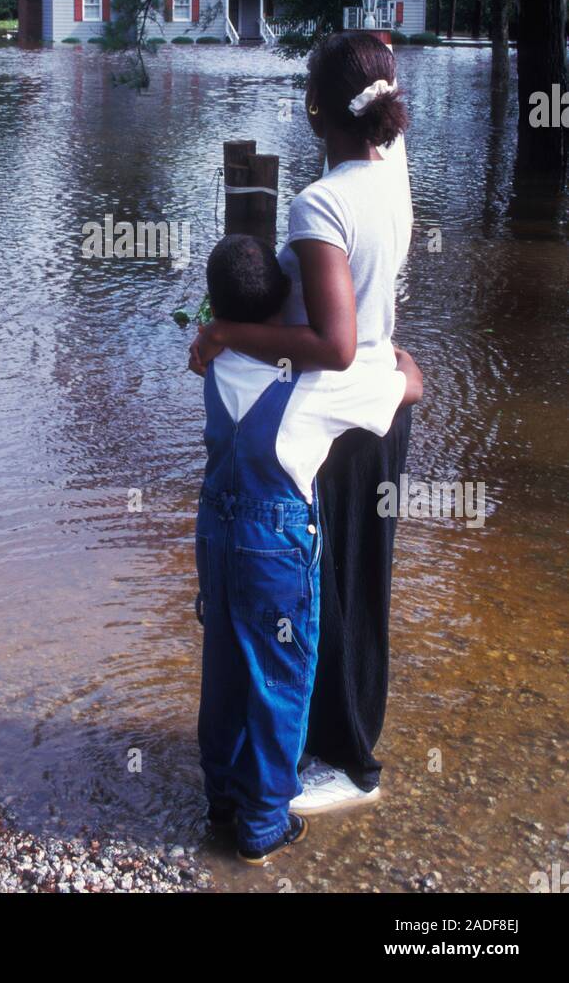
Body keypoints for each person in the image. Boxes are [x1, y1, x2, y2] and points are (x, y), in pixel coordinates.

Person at [191, 32, 414, 812]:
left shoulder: (320, 203)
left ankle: (344, 763)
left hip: (340, 420)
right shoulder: (390, 179)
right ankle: (340, 747)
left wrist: (224, 333)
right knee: (361, 586)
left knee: (326, 593)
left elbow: (332, 343)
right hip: (379, 409)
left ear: (317, 108)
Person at [195, 233, 422, 864]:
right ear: (284, 305)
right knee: (280, 678)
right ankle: (263, 823)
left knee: (227, 668)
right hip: (274, 545)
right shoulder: (314, 385)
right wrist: (401, 359)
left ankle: (220, 797)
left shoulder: (216, 363)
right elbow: (410, 391)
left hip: (214, 532)